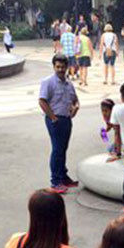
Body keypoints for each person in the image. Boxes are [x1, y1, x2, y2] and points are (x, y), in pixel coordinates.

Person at [38, 54, 80, 193]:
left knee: (63, 149)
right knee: (57, 150)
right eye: (58, 67)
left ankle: (63, 177)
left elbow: (75, 99)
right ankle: (55, 182)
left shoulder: (69, 83)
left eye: (63, 66)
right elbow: (42, 101)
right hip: (54, 120)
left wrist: (76, 107)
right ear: (54, 66)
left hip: (66, 119)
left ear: (67, 67)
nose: (61, 69)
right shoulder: (48, 82)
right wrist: (53, 118)